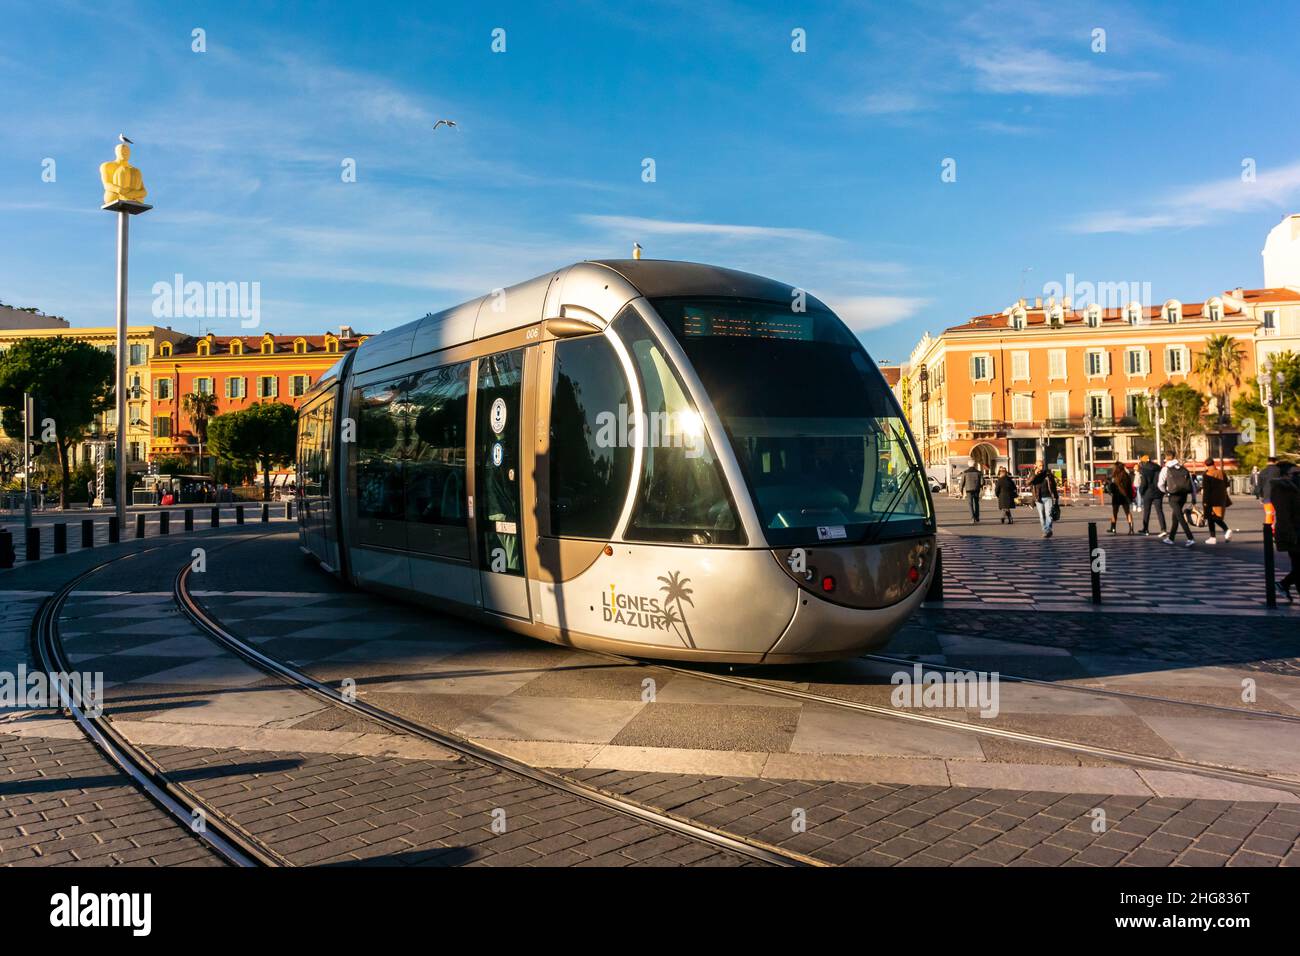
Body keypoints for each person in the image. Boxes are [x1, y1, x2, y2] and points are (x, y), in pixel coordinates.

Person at [1273, 470, 1300, 603]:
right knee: (1297, 564)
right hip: (1293, 531)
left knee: (1297, 564)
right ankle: (1284, 583)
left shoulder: (1288, 488)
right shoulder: (1286, 489)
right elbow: (1285, 514)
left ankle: (1285, 584)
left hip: (1292, 531)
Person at [1158, 452, 1195, 546]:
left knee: (1179, 516)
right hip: (1183, 495)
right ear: (1175, 457)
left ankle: (1190, 537)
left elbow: (1160, 484)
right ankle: (1171, 538)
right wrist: (1193, 498)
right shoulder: (1183, 468)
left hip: (1173, 495)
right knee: (1175, 516)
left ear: (1166, 458)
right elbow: (1192, 484)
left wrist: (1166, 492)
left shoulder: (1165, 469)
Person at [1200, 458, 1232, 544]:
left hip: (1211, 499)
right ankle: (1215, 536)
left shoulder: (1207, 475)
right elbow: (1227, 484)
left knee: (1212, 517)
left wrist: (1205, 502)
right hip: (1222, 498)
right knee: (1215, 517)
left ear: (1206, 465)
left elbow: (1206, 490)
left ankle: (1221, 532)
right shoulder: (1221, 472)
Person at [1137, 454, 1166, 537]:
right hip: (1158, 492)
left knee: (1147, 511)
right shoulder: (1158, 468)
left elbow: (1143, 483)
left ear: (1143, 462)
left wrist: (1141, 492)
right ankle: (1163, 529)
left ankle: (1145, 529)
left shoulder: (1144, 470)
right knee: (1159, 511)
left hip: (1148, 493)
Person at [1029, 459, 1058, 538]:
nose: (1041, 467)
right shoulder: (1032, 474)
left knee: (1049, 514)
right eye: (1040, 466)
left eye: (1042, 465)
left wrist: (1056, 497)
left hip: (1048, 497)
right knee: (1042, 516)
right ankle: (1045, 530)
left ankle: (1048, 529)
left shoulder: (1047, 473)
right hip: (1038, 498)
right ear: (1036, 466)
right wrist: (1034, 474)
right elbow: (1028, 482)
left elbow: (1053, 486)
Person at [1107, 461, 1135, 534]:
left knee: (1114, 512)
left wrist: (1111, 492)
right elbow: (1129, 487)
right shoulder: (1127, 476)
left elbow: (1111, 487)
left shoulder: (1114, 476)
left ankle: (1113, 528)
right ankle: (1131, 529)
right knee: (1128, 512)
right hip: (1125, 496)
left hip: (1116, 496)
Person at [959, 458, 983, 523]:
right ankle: (977, 517)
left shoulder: (965, 472)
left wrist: (960, 490)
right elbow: (982, 482)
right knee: (976, 503)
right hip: (977, 490)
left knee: (970, 504)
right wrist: (980, 486)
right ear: (974, 464)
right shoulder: (979, 472)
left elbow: (962, 482)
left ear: (968, 465)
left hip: (968, 490)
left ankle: (972, 518)